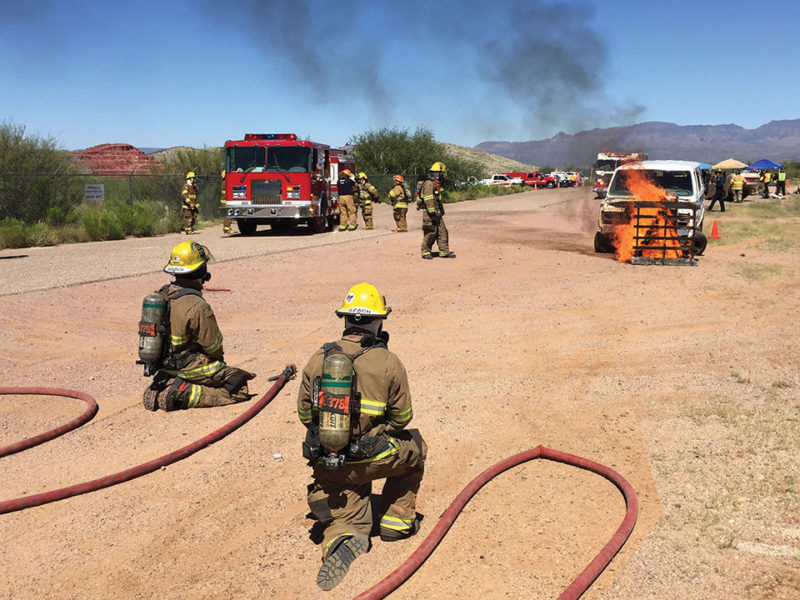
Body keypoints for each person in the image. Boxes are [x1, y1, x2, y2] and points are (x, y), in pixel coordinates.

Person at [297, 283, 426, 591]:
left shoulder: (319, 358)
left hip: (329, 459)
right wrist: (373, 432)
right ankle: (396, 523)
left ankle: (341, 534)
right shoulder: (388, 362)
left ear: (345, 320)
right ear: (377, 321)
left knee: (350, 516)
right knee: (416, 446)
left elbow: (305, 416)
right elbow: (401, 420)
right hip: (372, 458)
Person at [141, 241, 255, 411]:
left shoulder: (161, 296)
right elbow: (214, 347)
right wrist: (219, 369)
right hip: (188, 366)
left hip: (163, 365)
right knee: (239, 387)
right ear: (200, 270)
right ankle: (182, 393)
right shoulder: (197, 305)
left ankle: (166, 385)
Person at [416, 161, 455, 259]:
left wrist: (440, 211)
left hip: (437, 213)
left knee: (442, 232)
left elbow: (436, 199)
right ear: (438, 173)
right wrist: (432, 212)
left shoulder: (436, 184)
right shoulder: (429, 184)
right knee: (430, 232)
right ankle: (425, 251)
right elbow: (428, 199)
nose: (443, 176)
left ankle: (444, 251)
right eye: (442, 174)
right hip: (430, 213)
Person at [219, 169, 233, 235]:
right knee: (227, 216)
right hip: (225, 201)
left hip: (224, 201)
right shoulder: (225, 182)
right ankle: (227, 229)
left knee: (228, 215)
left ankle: (227, 228)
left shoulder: (224, 182)